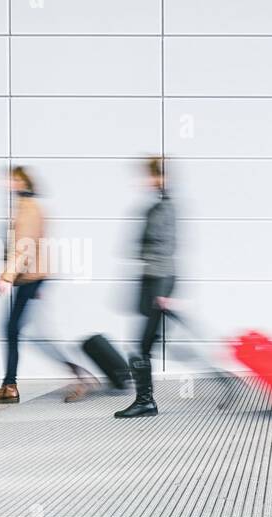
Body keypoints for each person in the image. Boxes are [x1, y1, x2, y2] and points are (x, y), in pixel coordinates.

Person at [0, 166, 96, 405]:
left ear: (23, 183)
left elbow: (25, 247)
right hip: (30, 279)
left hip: (29, 279)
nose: (7, 184)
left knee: (14, 329)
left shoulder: (29, 209)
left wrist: (6, 277)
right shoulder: (25, 207)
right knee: (25, 331)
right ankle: (13, 384)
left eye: (12, 180)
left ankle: (12, 386)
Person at [116, 157, 177, 418]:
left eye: (149, 175)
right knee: (146, 344)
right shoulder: (158, 206)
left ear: (159, 177)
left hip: (158, 281)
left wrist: (162, 291)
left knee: (142, 346)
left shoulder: (163, 208)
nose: (145, 180)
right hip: (153, 280)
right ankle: (145, 400)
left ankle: (145, 401)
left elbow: (165, 248)